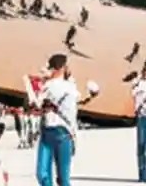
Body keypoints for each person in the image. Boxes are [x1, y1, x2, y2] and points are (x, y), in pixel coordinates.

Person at [33, 53, 98, 186]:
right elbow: (81, 100)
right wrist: (92, 95)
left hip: (62, 132)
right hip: (51, 132)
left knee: (53, 176)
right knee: (52, 176)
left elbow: (37, 106)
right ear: (62, 68)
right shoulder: (53, 86)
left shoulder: (65, 86)